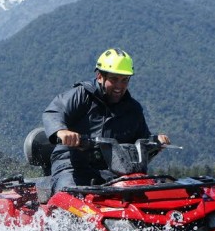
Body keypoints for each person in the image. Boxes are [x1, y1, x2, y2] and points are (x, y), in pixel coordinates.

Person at [42, 48, 170, 193]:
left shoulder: (133, 109)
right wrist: (61, 131)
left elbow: (141, 145)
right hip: (71, 164)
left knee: (145, 197)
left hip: (112, 170)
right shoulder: (82, 95)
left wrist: (155, 143)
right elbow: (54, 111)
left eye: (124, 80)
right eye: (114, 79)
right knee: (71, 196)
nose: (119, 86)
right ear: (100, 76)